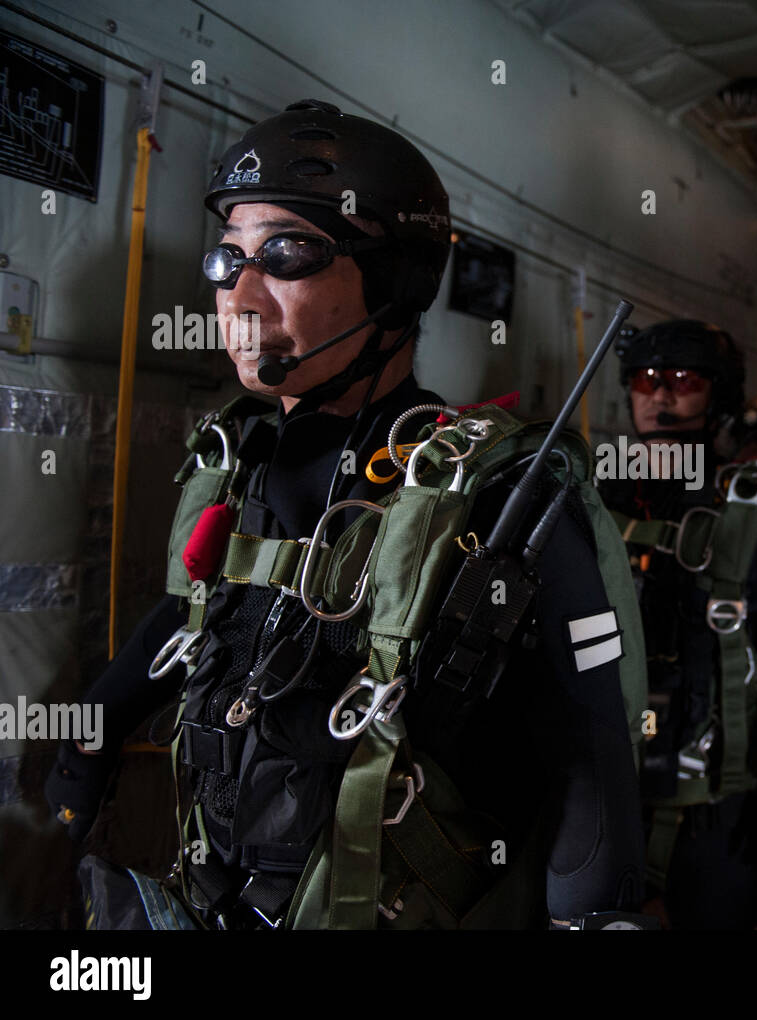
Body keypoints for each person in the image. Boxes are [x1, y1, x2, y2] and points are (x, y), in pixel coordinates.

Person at [45, 100, 644, 930]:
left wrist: (593, 916)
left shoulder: (499, 494)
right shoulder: (236, 462)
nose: (240, 295)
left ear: (397, 280)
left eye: (289, 254)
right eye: (228, 260)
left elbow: (594, 752)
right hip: (214, 894)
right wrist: (90, 734)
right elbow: (186, 617)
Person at [599, 322, 757, 928]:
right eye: (645, 379)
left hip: (714, 814)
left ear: (720, 397)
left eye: (683, 381)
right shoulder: (591, 496)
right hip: (605, 800)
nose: (661, 396)